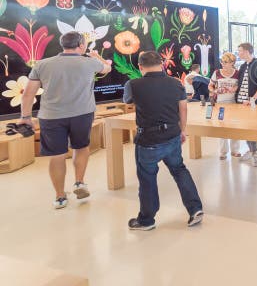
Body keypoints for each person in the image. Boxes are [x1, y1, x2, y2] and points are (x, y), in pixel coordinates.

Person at [18, 31, 111, 209]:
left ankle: (60, 197)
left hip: (51, 117)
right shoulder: (90, 62)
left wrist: (25, 117)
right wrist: (96, 55)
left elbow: (28, 94)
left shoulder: (42, 64)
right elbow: (107, 67)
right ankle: (79, 182)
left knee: (57, 156)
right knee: (81, 147)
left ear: (63, 45)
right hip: (82, 114)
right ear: (81, 45)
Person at [123, 51, 203, 230]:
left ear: (140, 67)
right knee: (180, 171)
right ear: (162, 64)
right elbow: (183, 109)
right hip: (173, 136)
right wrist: (183, 130)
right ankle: (195, 208)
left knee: (147, 178)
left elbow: (128, 101)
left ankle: (146, 220)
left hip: (148, 140)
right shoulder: (175, 83)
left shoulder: (133, 84)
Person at [236, 42, 257, 167]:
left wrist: (252, 100)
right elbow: (240, 83)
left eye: (240, 51)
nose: (238, 53)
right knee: (245, 129)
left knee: (252, 129)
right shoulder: (243, 66)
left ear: (247, 51)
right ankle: (250, 151)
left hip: (253, 104)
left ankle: (254, 153)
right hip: (241, 103)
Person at [210, 52, 242, 160]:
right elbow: (210, 85)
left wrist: (235, 88)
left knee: (234, 127)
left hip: (233, 104)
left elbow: (241, 85)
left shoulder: (237, 73)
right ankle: (223, 152)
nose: (223, 64)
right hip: (220, 104)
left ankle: (235, 150)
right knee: (221, 127)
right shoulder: (217, 72)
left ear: (232, 62)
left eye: (225, 62)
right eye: (222, 62)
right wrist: (214, 90)